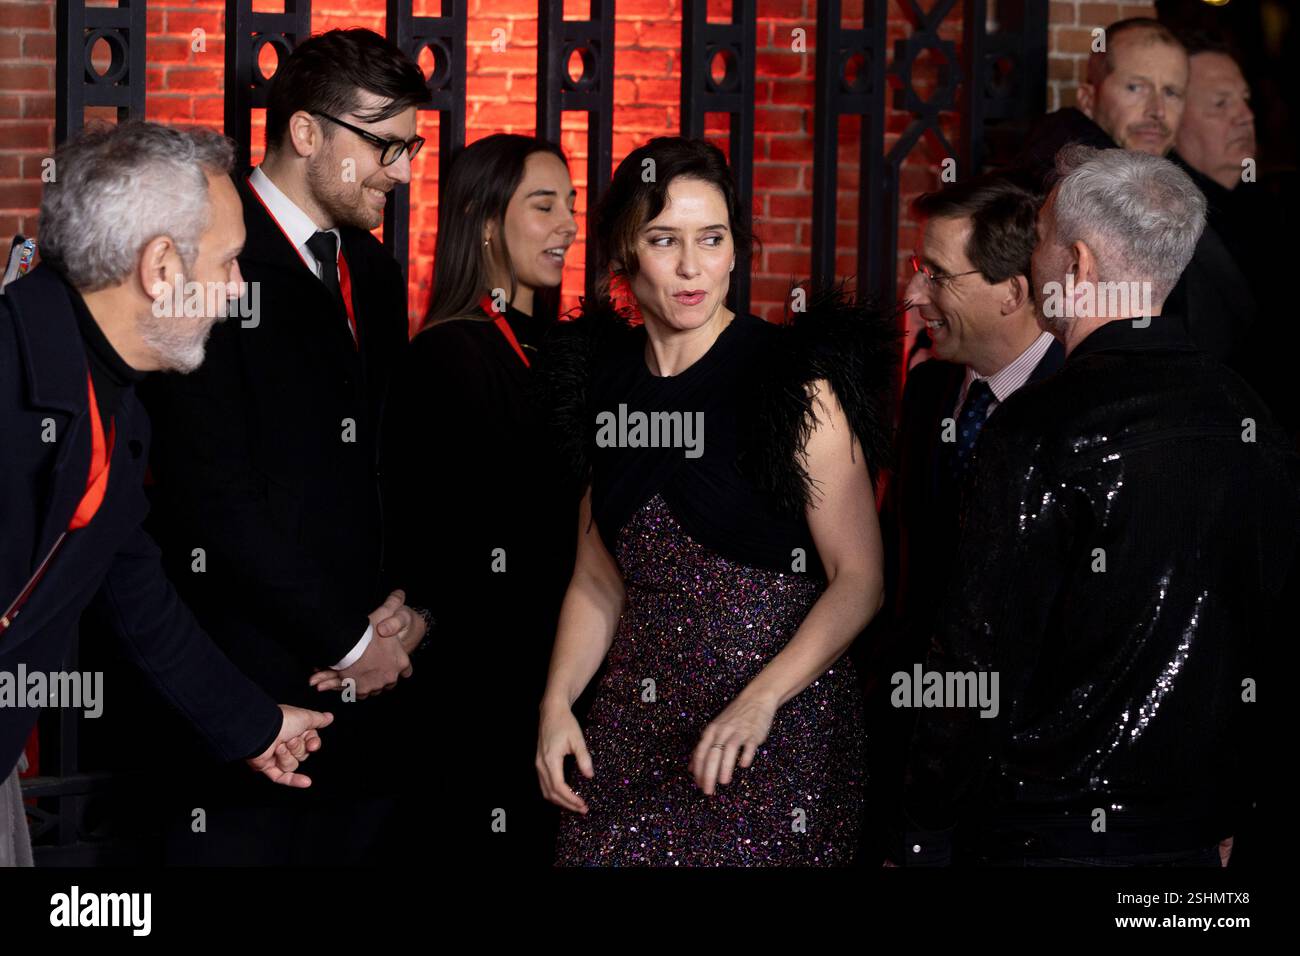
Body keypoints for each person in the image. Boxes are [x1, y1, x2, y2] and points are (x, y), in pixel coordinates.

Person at [896, 146, 1298, 866]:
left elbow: (976, 654)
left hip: (1042, 837)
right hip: (1190, 842)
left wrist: (922, 827)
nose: (1030, 261)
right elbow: (1267, 635)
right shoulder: (1250, 418)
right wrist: (1233, 803)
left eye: (1041, 240)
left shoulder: (1039, 426)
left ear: (1077, 266)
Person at [534, 136, 898, 866]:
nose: (693, 266)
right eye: (664, 240)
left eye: (713, 238)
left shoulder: (794, 382)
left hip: (772, 730)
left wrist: (761, 701)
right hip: (634, 732)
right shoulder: (603, 384)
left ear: (736, 249)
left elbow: (860, 582)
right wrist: (555, 705)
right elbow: (598, 577)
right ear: (623, 255)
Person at [0, 121, 335, 866]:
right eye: (229, 260)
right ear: (160, 266)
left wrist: (252, 724)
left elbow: (133, 592)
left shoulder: (113, 403)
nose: (239, 288)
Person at [135, 28, 431, 864]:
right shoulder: (209, 256)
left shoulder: (369, 268)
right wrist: (351, 642)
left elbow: (382, 464)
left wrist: (402, 618)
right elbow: (209, 492)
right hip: (240, 706)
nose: (403, 172)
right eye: (387, 146)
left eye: (409, 148)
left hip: (371, 707)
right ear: (308, 134)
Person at [357, 133, 581, 864]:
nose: (568, 225)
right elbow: (437, 548)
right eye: (544, 205)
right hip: (480, 697)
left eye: (571, 207)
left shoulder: (554, 350)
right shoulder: (447, 356)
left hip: (558, 678)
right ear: (485, 221)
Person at [868, 173, 1063, 860]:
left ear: (1013, 292)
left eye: (938, 277)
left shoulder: (1077, 409)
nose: (914, 295)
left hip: (1026, 782)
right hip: (912, 754)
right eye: (920, 270)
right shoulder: (927, 392)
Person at [1015, 17, 1255, 368]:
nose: (1157, 111)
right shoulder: (1055, 184)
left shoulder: (1174, 193)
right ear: (1087, 97)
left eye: (1171, 93)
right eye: (1135, 88)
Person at [1171, 32, 1297, 442]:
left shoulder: (1268, 201)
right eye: (1221, 104)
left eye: (1244, 100)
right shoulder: (1164, 221)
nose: (1245, 115)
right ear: (1174, 119)